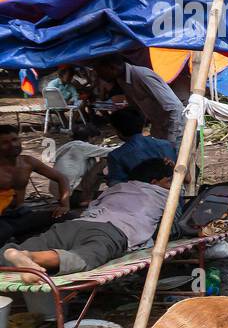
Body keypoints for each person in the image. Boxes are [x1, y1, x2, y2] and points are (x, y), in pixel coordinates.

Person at [2, 158, 173, 284]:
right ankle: (30, 257)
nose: (172, 184)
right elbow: (174, 226)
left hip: (79, 222)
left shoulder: (117, 188)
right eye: (168, 181)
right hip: (113, 231)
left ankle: (11, 252)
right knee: (85, 257)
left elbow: (91, 205)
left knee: (42, 241)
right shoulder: (166, 195)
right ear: (154, 182)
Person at [0, 124, 71, 246]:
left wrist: (64, 204)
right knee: (5, 231)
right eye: (5, 142)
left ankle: (17, 237)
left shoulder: (28, 162)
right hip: (2, 219)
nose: (13, 145)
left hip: (21, 214)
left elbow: (61, 178)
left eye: (15, 140)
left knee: (67, 217)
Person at [93, 57, 186, 145]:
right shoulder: (122, 81)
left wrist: (172, 139)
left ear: (113, 68)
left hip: (175, 129)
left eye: (101, 72)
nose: (100, 77)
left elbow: (175, 107)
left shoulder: (142, 75)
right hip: (159, 128)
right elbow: (136, 107)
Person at [105, 108, 178, 185]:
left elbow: (116, 185)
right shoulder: (166, 144)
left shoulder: (116, 156)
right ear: (142, 125)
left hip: (140, 195)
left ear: (118, 131)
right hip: (172, 192)